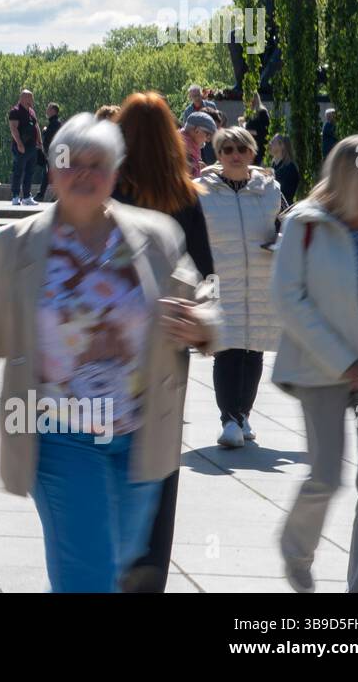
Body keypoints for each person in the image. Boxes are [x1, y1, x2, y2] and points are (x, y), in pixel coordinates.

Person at [0, 113, 219, 593]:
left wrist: (202, 325)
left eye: (97, 164)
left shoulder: (155, 236)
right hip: (60, 435)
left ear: (116, 173)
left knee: (117, 568)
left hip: (139, 438)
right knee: (89, 577)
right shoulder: (14, 247)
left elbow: (201, 298)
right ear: (51, 171)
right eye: (69, 163)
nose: (83, 174)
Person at [272, 135, 358, 593]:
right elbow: (290, 299)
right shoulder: (304, 226)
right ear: (357, 174)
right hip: (322, 371)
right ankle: (296, 549)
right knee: (326, 476)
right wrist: (345, 361)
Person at [112, 90, 216, 594]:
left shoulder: (107, 191)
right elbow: (207, 277)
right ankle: (149, 574)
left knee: (105, 456)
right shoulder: (186, 197)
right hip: (168, 348)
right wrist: (200, 323)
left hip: (107, 347)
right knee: (160, 464)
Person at [197, 126, 284, 449]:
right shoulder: (200, 190)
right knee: (228, 349)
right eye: (227, 149)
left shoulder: (270, 189)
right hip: (221, 279)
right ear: (218, 155)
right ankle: (229, 419)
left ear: (252, 152)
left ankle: (244, 414)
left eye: (241, 149)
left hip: (261, 278)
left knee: (253, 349)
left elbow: (284, 223)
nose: (234, 155)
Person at [7, 88, 42, 205]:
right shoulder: (15, 111)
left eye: (32, 98)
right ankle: (15, 196)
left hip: (32, 147)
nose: (32, 100)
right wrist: (19, 144)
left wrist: (40, 142)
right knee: (18, 171)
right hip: (21, 146)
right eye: (29, 98)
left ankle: (27, 197)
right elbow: (13, 129)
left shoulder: (31, 112)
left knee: (30, 171)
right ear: (22, 98)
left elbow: (36, 126)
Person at [37, 101, 61, 202]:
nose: (46, 110)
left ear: (53, 111)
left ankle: (43, 195)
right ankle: (46, 195)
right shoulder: (54, 123)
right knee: (48, 174)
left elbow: (50, 137)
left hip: (57, 153)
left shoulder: (55, 123)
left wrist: (44, 131)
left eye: (48, 108)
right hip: (57, 152)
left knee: (51, 175)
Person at [181, 111, 216, 178]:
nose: (208, 140)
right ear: (197, 130)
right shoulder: (182, 151)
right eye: (208, 135)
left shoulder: (179, 142)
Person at [269, 133, 300, 204]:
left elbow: (284, 194)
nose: (270, 144)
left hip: (284, 210)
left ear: (282, 146)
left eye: (273, 142)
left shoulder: (290, 168)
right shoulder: (274, 165)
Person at [246, 93, 271, 165]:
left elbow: (264, 131)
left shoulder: (262, 112)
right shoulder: (252, 112)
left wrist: (248, 131)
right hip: (251, 145)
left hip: (259, 146)